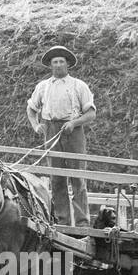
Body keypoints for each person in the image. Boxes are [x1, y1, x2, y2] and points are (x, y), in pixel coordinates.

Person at [26, 45, 96, 228]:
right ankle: (62, 221)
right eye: (54, 62)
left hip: (73, 132)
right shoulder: (43, 87)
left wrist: (74, 123)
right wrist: (36, 125)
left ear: (67, 64)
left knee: (77, 178)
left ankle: (82, 224)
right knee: (56, 178)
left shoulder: (78, 85)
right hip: (51, 131)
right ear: (50, 65)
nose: (58, 65)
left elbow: (91, 114)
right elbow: (31, 109)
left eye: (61, 62)